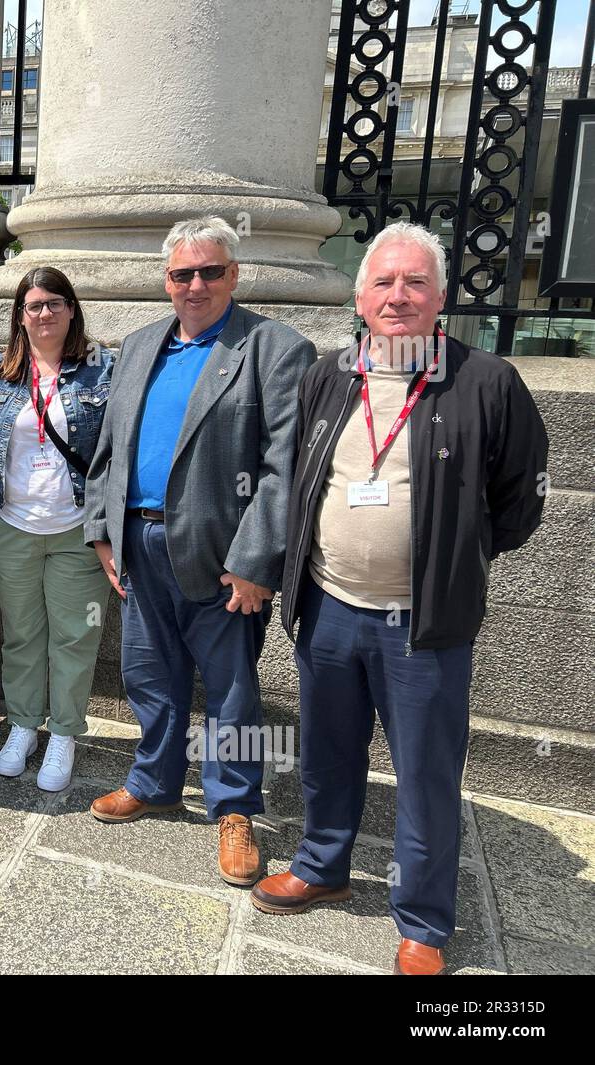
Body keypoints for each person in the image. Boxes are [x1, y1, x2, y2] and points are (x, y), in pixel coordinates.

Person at [251, 222, 548, 976]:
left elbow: (519, 502)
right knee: (326, 752)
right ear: (359, 298)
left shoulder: (486, 382)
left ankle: (422, 920)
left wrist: (456, 559)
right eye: (383, 282)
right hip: (327, 610)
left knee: (424, 771)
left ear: (440, 296)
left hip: (423, 629)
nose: (398, 296)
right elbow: (297, 476)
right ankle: (323, 864)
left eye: (415, 282)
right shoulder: (328, 375)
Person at [83, 216, 317, 888]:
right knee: (149, 674)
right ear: (166, 280)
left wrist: (256, 559)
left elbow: (283, 468)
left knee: (233, 691)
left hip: (223, 558)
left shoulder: (275, 350)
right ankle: (154, 780)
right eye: (182, 273)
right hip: (139, 542)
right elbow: (109, 449)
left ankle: (235, 806)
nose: (196, 284)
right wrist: (103, 530)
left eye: (210, 271)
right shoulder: (137, 346)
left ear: (234, 275)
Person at [0, 267, 113, 792]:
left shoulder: (102, 372)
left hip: (77, 528)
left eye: (54, 302)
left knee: (74, 637)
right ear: (20, 316)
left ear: (71, 309)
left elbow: (117, 451)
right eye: (33, 305)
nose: (44, 313)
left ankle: (65, 733)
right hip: (13, 527)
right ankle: (24, 724)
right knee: (23, 634)